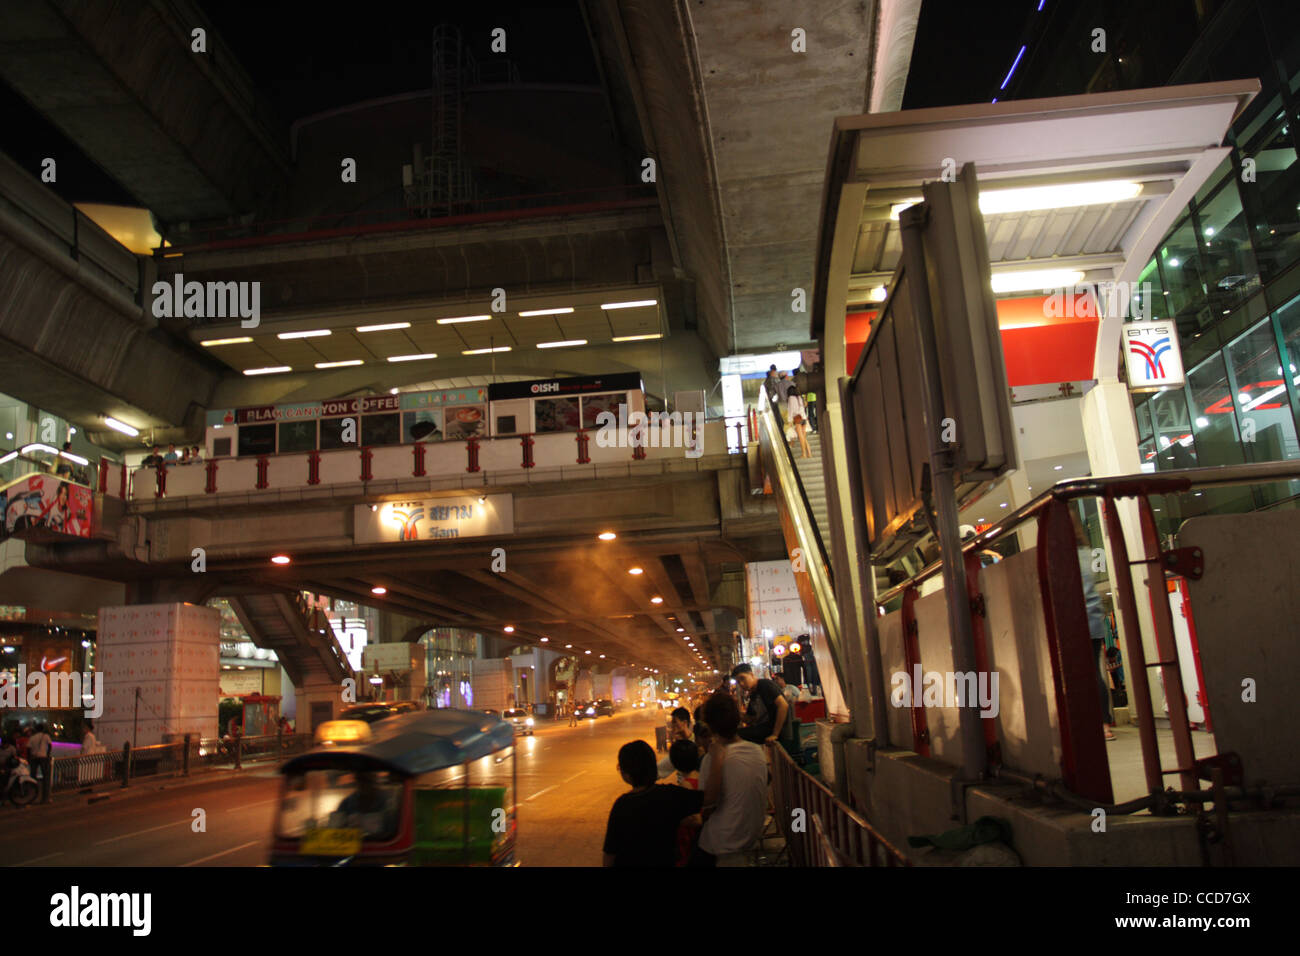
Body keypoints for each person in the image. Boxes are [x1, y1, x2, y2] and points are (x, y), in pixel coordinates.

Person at [692, 692, 768, 866]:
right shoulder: (757, 751)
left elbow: (707, 804)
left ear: (710, 726)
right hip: (750, 838)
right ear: (738, 719)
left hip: (721, 845)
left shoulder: (711, 759)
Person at [602, 740, 702, 867]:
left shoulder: (622, 805)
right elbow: (704, 803)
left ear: (626, 774)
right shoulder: (670, 794)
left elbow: (610, 853)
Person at [731, 663, 792, 748]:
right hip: (764, 730)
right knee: (733, 735)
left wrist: (775, 734)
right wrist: (735, 713)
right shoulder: (753, 694)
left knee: (736, 736)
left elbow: (783, 705)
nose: (741, 683)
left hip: (778, 733)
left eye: (743, 678)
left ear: (751, 675)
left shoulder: (764, 684)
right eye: (738, 682)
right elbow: (750, 719)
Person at [657, 707, 693, 779]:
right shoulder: (681, 745)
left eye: (674, 722)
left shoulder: (688, 745)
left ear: (685, 723)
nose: (672, 726)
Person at [786, 376, 813, 459]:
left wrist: (789, 420)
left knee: (801, 438)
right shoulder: (799, 397)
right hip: (804, 419)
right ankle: (809, 454)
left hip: (797, 419)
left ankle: (804, 454)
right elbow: (802, 408)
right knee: (804, 437)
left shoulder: (790, 398)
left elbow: (791, 410)